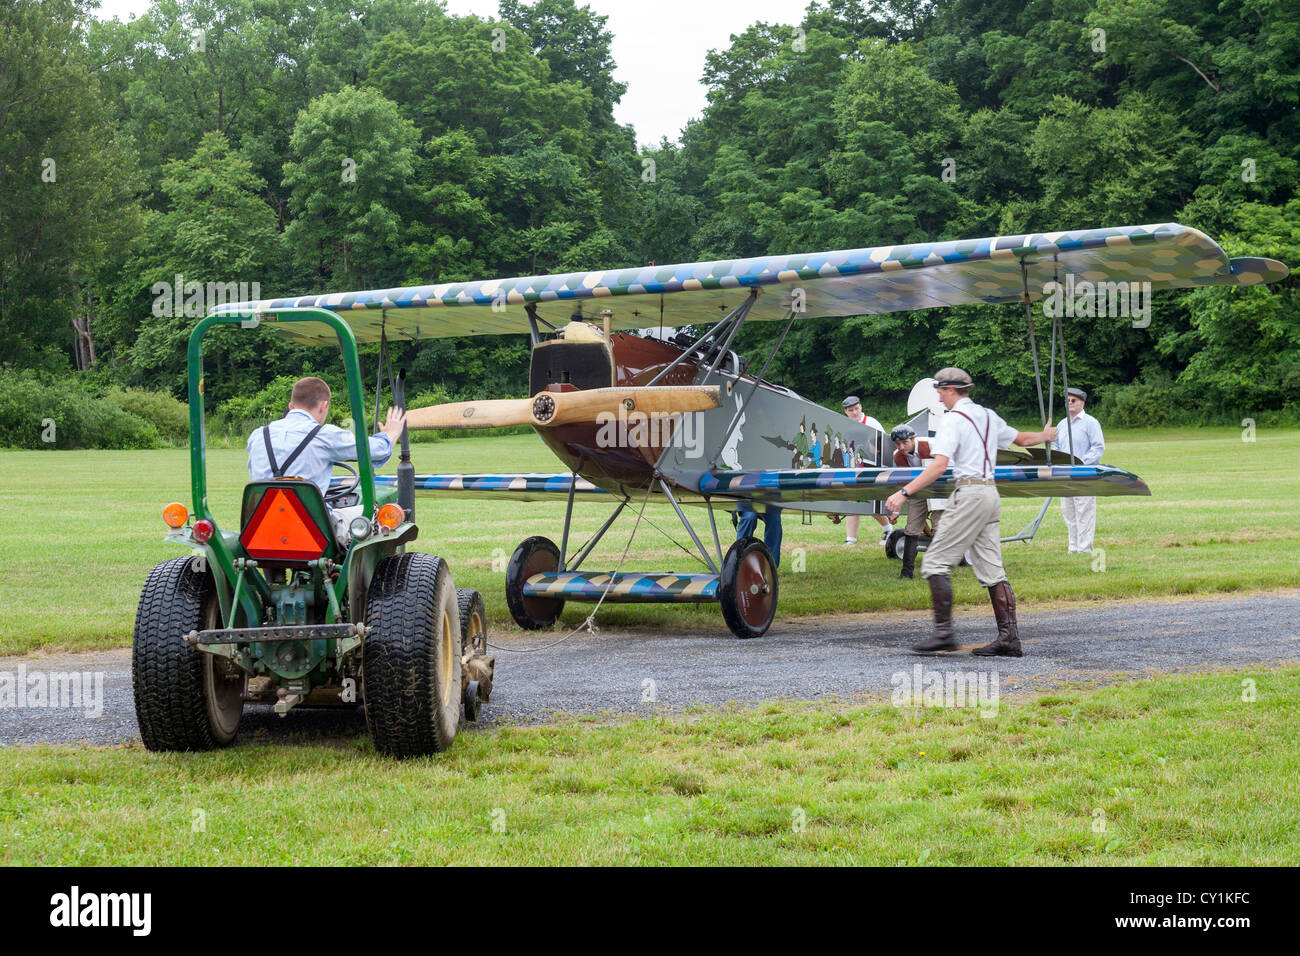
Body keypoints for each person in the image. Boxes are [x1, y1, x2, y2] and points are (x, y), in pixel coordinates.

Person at [885, 368, 1057, 657]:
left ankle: (944, 634)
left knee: (935, 563)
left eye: (940, 390)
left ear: (951, 389)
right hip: (990, 494)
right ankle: (1009, 639)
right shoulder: (988, 415)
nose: (938, 396)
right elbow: (1023, 440)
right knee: (992, 570)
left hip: (969, 494)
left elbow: (939, 466)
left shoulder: (952, 421)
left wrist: (903, 493)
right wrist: (1046, 434)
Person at [247, 377, 406, 544]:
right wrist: (392, 433)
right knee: (375, 515)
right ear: (324, 405)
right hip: (311, 531)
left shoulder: (257, 436)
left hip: (263, 527)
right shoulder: (324, 436)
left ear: (290, 406)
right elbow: (377, 451)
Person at [1052, 387, 1105, 554]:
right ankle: (1073, 547)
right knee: (1068, 511)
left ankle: (1084, 548)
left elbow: (1098, 447)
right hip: (1065, 473)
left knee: (1084, 510)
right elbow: (1056, 445)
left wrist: (1081, 463)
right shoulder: (1062, 423)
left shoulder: (1091, 423)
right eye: (1067, 401)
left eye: (1073, 400)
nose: (1069, 403)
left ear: (1082, 403)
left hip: (1085, 473)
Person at [890, 425, 942, 579]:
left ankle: (937, 572)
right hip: (917, 490)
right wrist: (895, 510)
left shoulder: (932, 445)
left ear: (913, 439)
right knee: (911, 529)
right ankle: (906, 573)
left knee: (940, 527)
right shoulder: (898, 456)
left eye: (905, 442)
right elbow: (901, 482)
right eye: (897, 444)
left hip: (939, 488)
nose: (901, 447)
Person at [841, 395, 893, 545]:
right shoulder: (845, 425)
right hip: (852, 467)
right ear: (846, 412)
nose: (855, 412)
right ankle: (851, 539)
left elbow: (884, 446)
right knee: (852, 501)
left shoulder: (871, 423)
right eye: (851, 410)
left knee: (869, 502)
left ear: (861, 407)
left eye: (857, 409)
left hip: (871, 468)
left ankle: (888, 528)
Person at [735, 502, 782, 569]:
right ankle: (739, 561)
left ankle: (771, 567)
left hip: (767, 497)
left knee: (774, 519)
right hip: (745, 497)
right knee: (749, 517)